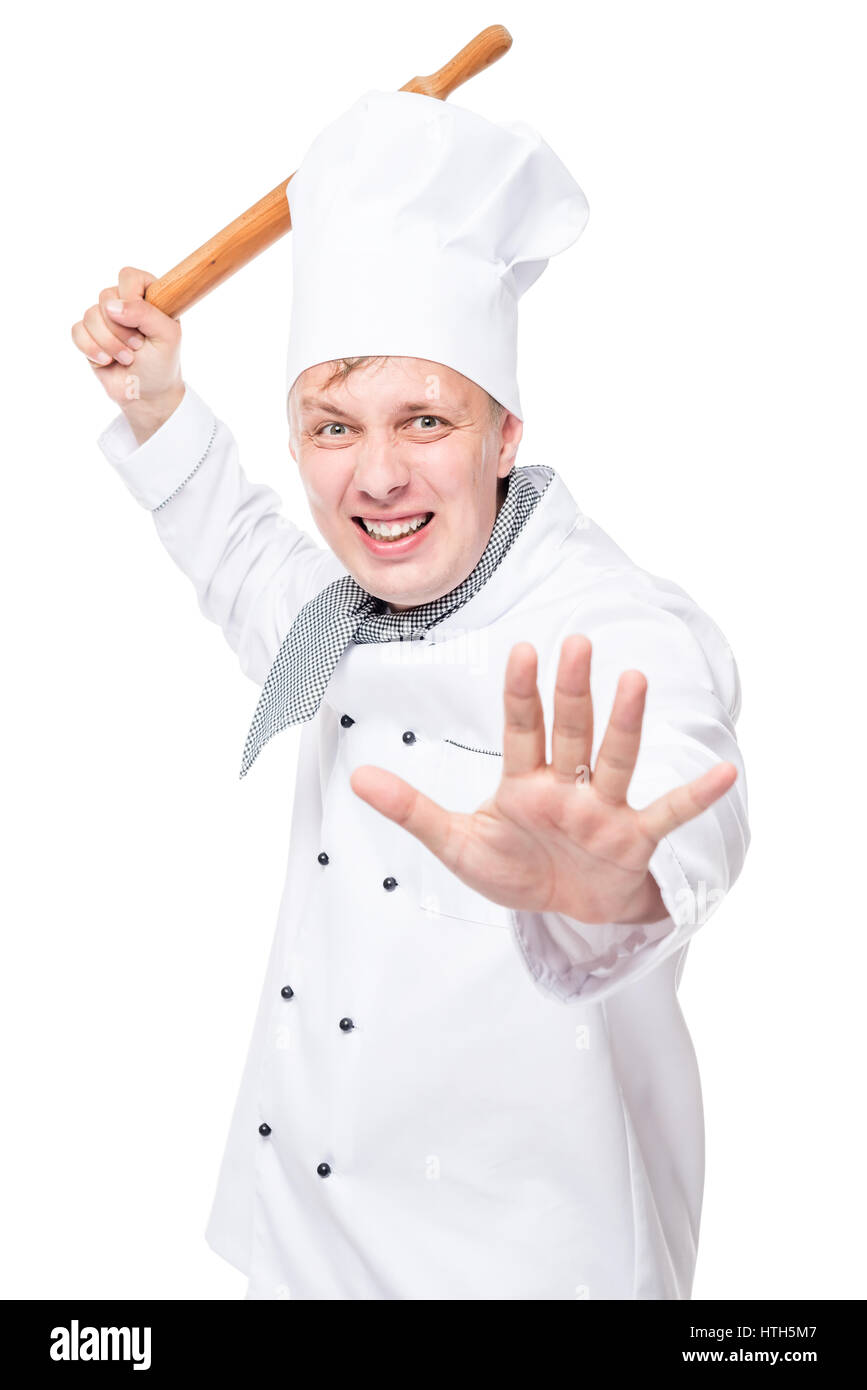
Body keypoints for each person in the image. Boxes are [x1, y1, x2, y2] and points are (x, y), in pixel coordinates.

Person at [72, 90, 750, 1300]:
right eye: (333, 428)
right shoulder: (343, 616)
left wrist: (625, 882)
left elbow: (681, 767)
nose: (375, 478)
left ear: (503, 434)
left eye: (423, 420)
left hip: (528, 1270)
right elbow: (243, 561)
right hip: (298, 1247)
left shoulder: (602, 620)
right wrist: (159, 401)